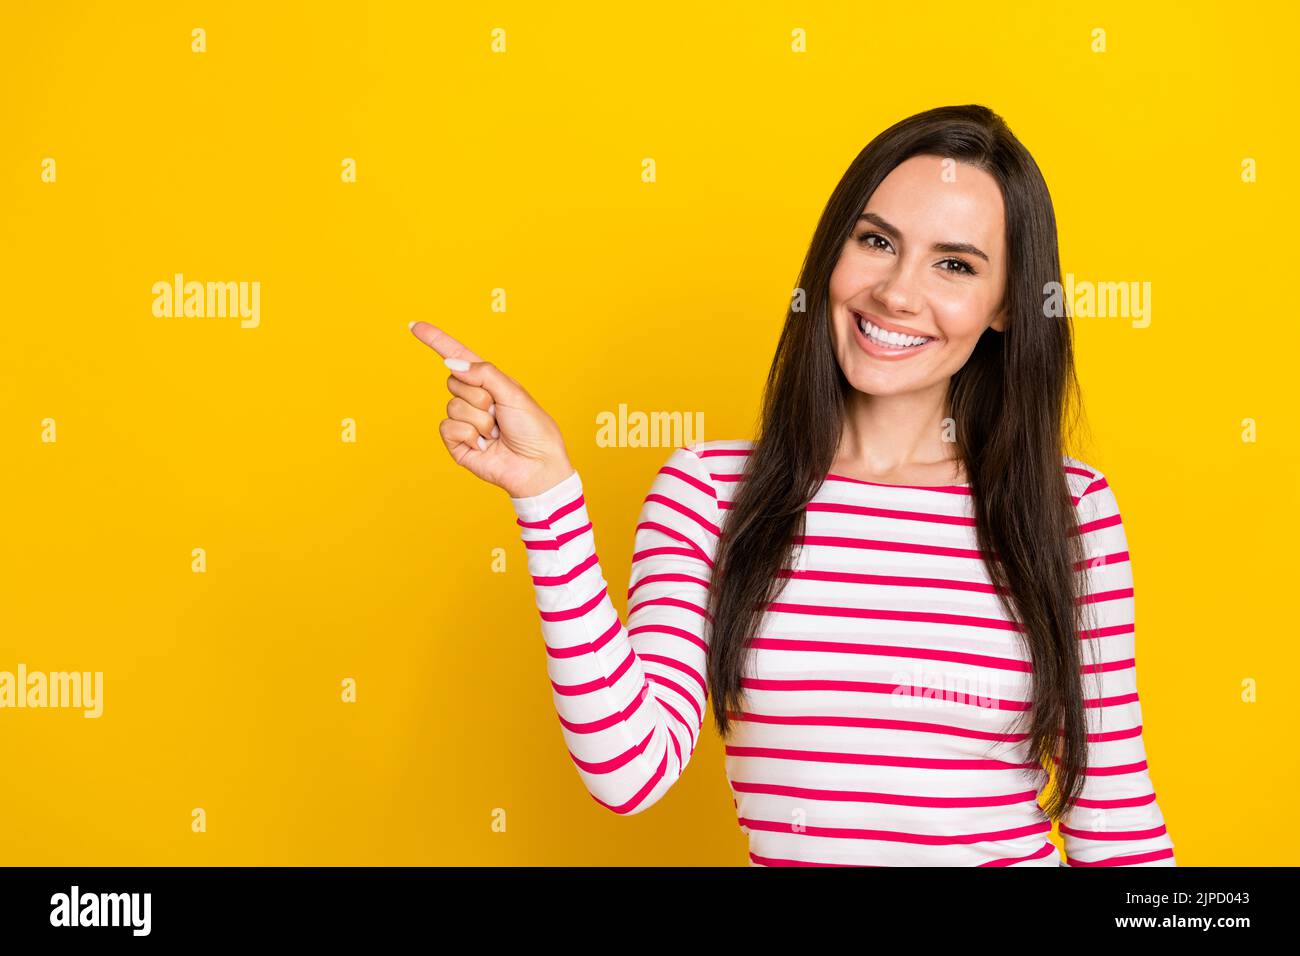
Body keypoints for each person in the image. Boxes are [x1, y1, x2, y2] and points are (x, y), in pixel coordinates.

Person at [409, 104, 1176, 867]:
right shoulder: (710, 493)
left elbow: (1116, 825)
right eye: (877, 242)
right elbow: (628, 768)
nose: (898, 293)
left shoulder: (1067, 509)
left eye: (955, 264)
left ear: (1007, 304)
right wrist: (547, 495)